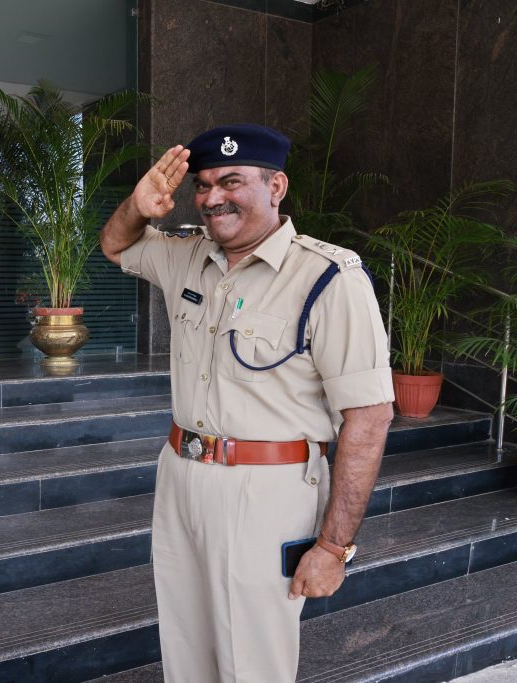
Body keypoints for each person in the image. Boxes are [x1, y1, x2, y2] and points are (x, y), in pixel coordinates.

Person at [99, 124, 395, 682]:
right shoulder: (188, 257)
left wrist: (334, 546)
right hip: (181, 475)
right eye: (203, 185)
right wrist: (138, 207)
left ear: (276, 186)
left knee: (252, 661)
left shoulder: (329, 277)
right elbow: (116, 244)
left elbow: (369, 417)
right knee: (185, 647)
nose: (212, 198)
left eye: (231, 182)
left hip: (267, 491)